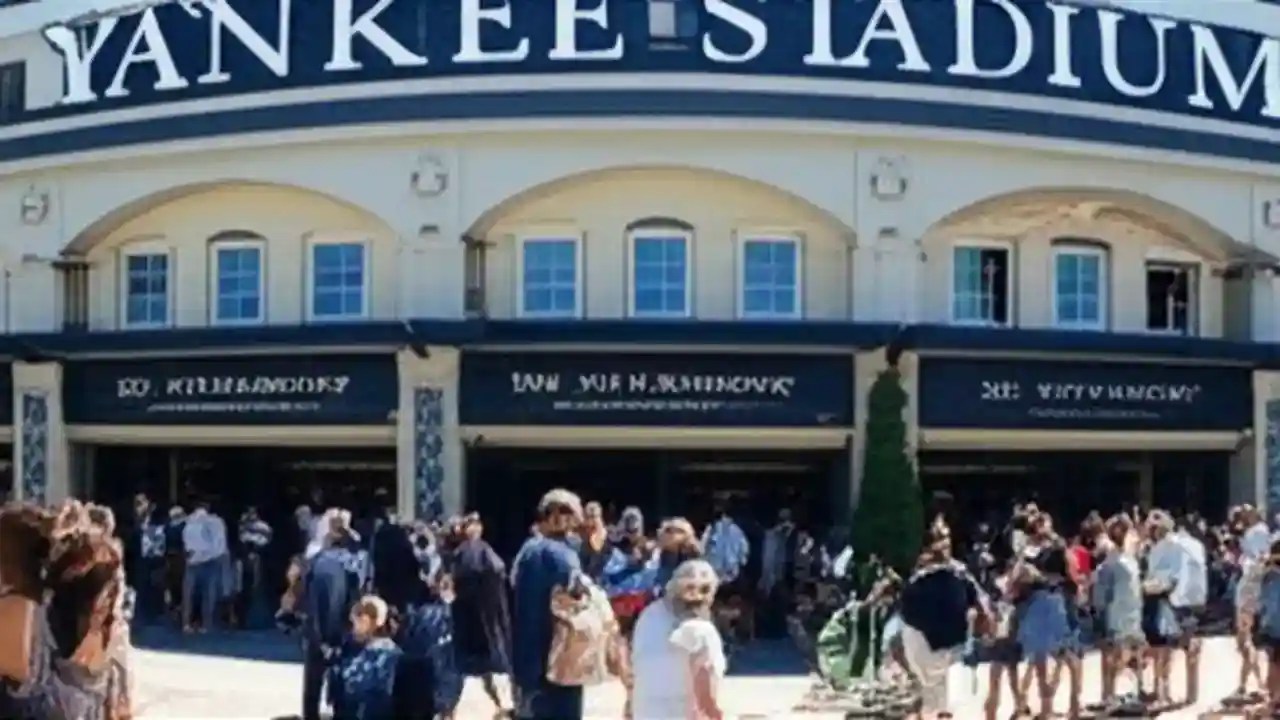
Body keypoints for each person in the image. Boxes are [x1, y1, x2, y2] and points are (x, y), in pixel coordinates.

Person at [511, 489, 586, 720]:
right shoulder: (544, 553)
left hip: (552, 662)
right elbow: (530, 616)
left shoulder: (538, 551)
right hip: (555, 663)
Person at [899, 525, 986, 720]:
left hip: (951, 645)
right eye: (940, 541)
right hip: (926, 643)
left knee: (946, 702)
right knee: (933, 699)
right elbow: (908, 609)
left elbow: (978, 602)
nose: (944, 546)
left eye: (946, 541)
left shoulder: (959, 574)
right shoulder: (921, 576)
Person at [630, 559, 727, 720]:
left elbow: (636, 665)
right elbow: (705, 687)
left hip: (645, 711)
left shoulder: (649, 616)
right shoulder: (702, 631)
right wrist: (714, 713)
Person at [301, 511, 364, 720]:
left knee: (313, 676)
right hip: (344, 624)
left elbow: (306, 594)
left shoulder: (316, 560)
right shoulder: (353, 562)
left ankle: (311, 714)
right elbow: (358, 594)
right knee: (343, 674)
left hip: (317, 624)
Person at [451, 512, 514, 717]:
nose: (474, 528)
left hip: (486, 614)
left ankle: (501, 703)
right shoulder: (462, 551)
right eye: (470, 524)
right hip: (473, 616)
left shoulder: (482, 550)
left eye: (477, 523)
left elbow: (497, 571)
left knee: (488, 667)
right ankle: (448, 709)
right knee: (469, 667)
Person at [1091, 513, 1144, 712]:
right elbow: (1101, 596)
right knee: (1116, 657)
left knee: (1130, 657)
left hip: (1131, 615)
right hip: (1118, 617)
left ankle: (1129, 694)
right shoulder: (1112, 562)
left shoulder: (1125, 559)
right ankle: (1111, 696)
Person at [181, 499, 225, 634]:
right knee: (208, 594)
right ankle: (206, 624)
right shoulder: (215, 521)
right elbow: (219, 543)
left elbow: (186, 540)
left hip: (193, 561)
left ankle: (187, 623)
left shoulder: (189, 521)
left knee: (189, 594)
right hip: (209, 561)